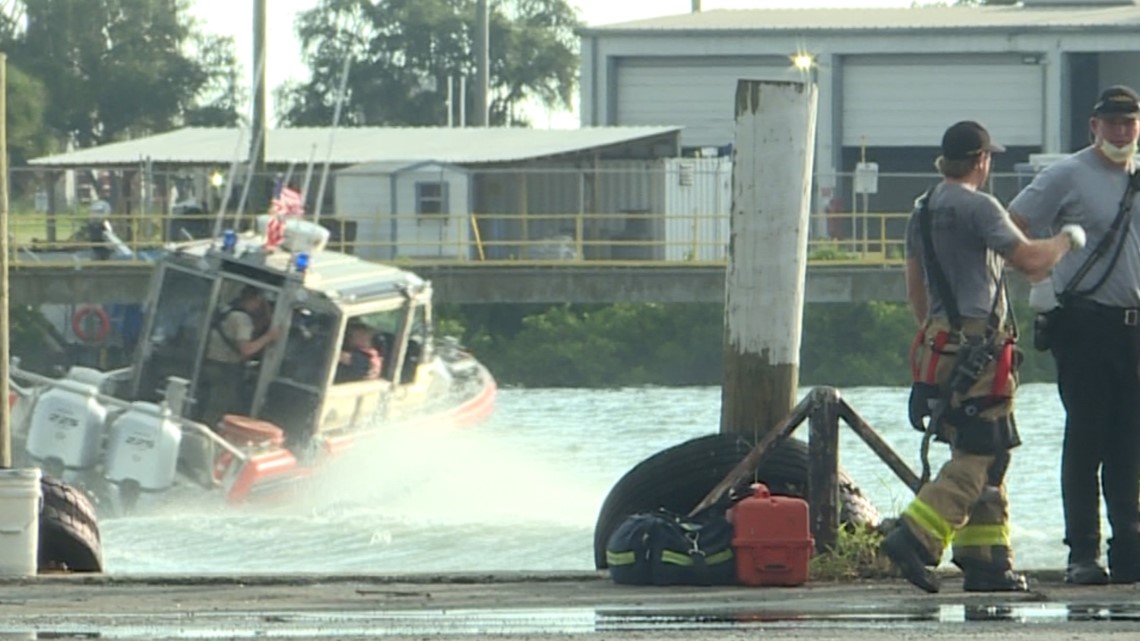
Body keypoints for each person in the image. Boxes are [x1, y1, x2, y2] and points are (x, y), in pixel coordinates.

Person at [880, 120, 1084, 593]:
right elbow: (1031, 261)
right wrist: (1066, 240)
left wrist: (940, 336)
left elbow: (915, 288)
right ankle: (915, 536)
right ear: (982, 161)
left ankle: (986, 559)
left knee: (984, 448)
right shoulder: (979, 206)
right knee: (981, 449)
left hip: (939, 343)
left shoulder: (923, 209)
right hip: (980, 348)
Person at [1008, 85, 1140, 585]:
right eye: (1113, 123)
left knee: (1130, 441)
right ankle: (1083, 552)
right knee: (1085, 438)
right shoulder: (1068, 174)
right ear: (1094, 126)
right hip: (1084, 323)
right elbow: (1014, 224)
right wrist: (1041, 279)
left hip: (1132, 326)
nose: (1122, 132)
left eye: (1130, 123)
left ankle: (1129, 546)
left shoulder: (1137, 176)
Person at [199, 285, 280, 427]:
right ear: (255, 300)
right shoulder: (242, 318)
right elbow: (246, 349)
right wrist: (269, 336)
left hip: (211, 364)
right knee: (220, 408)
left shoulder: (229, 311)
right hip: (224, 369)